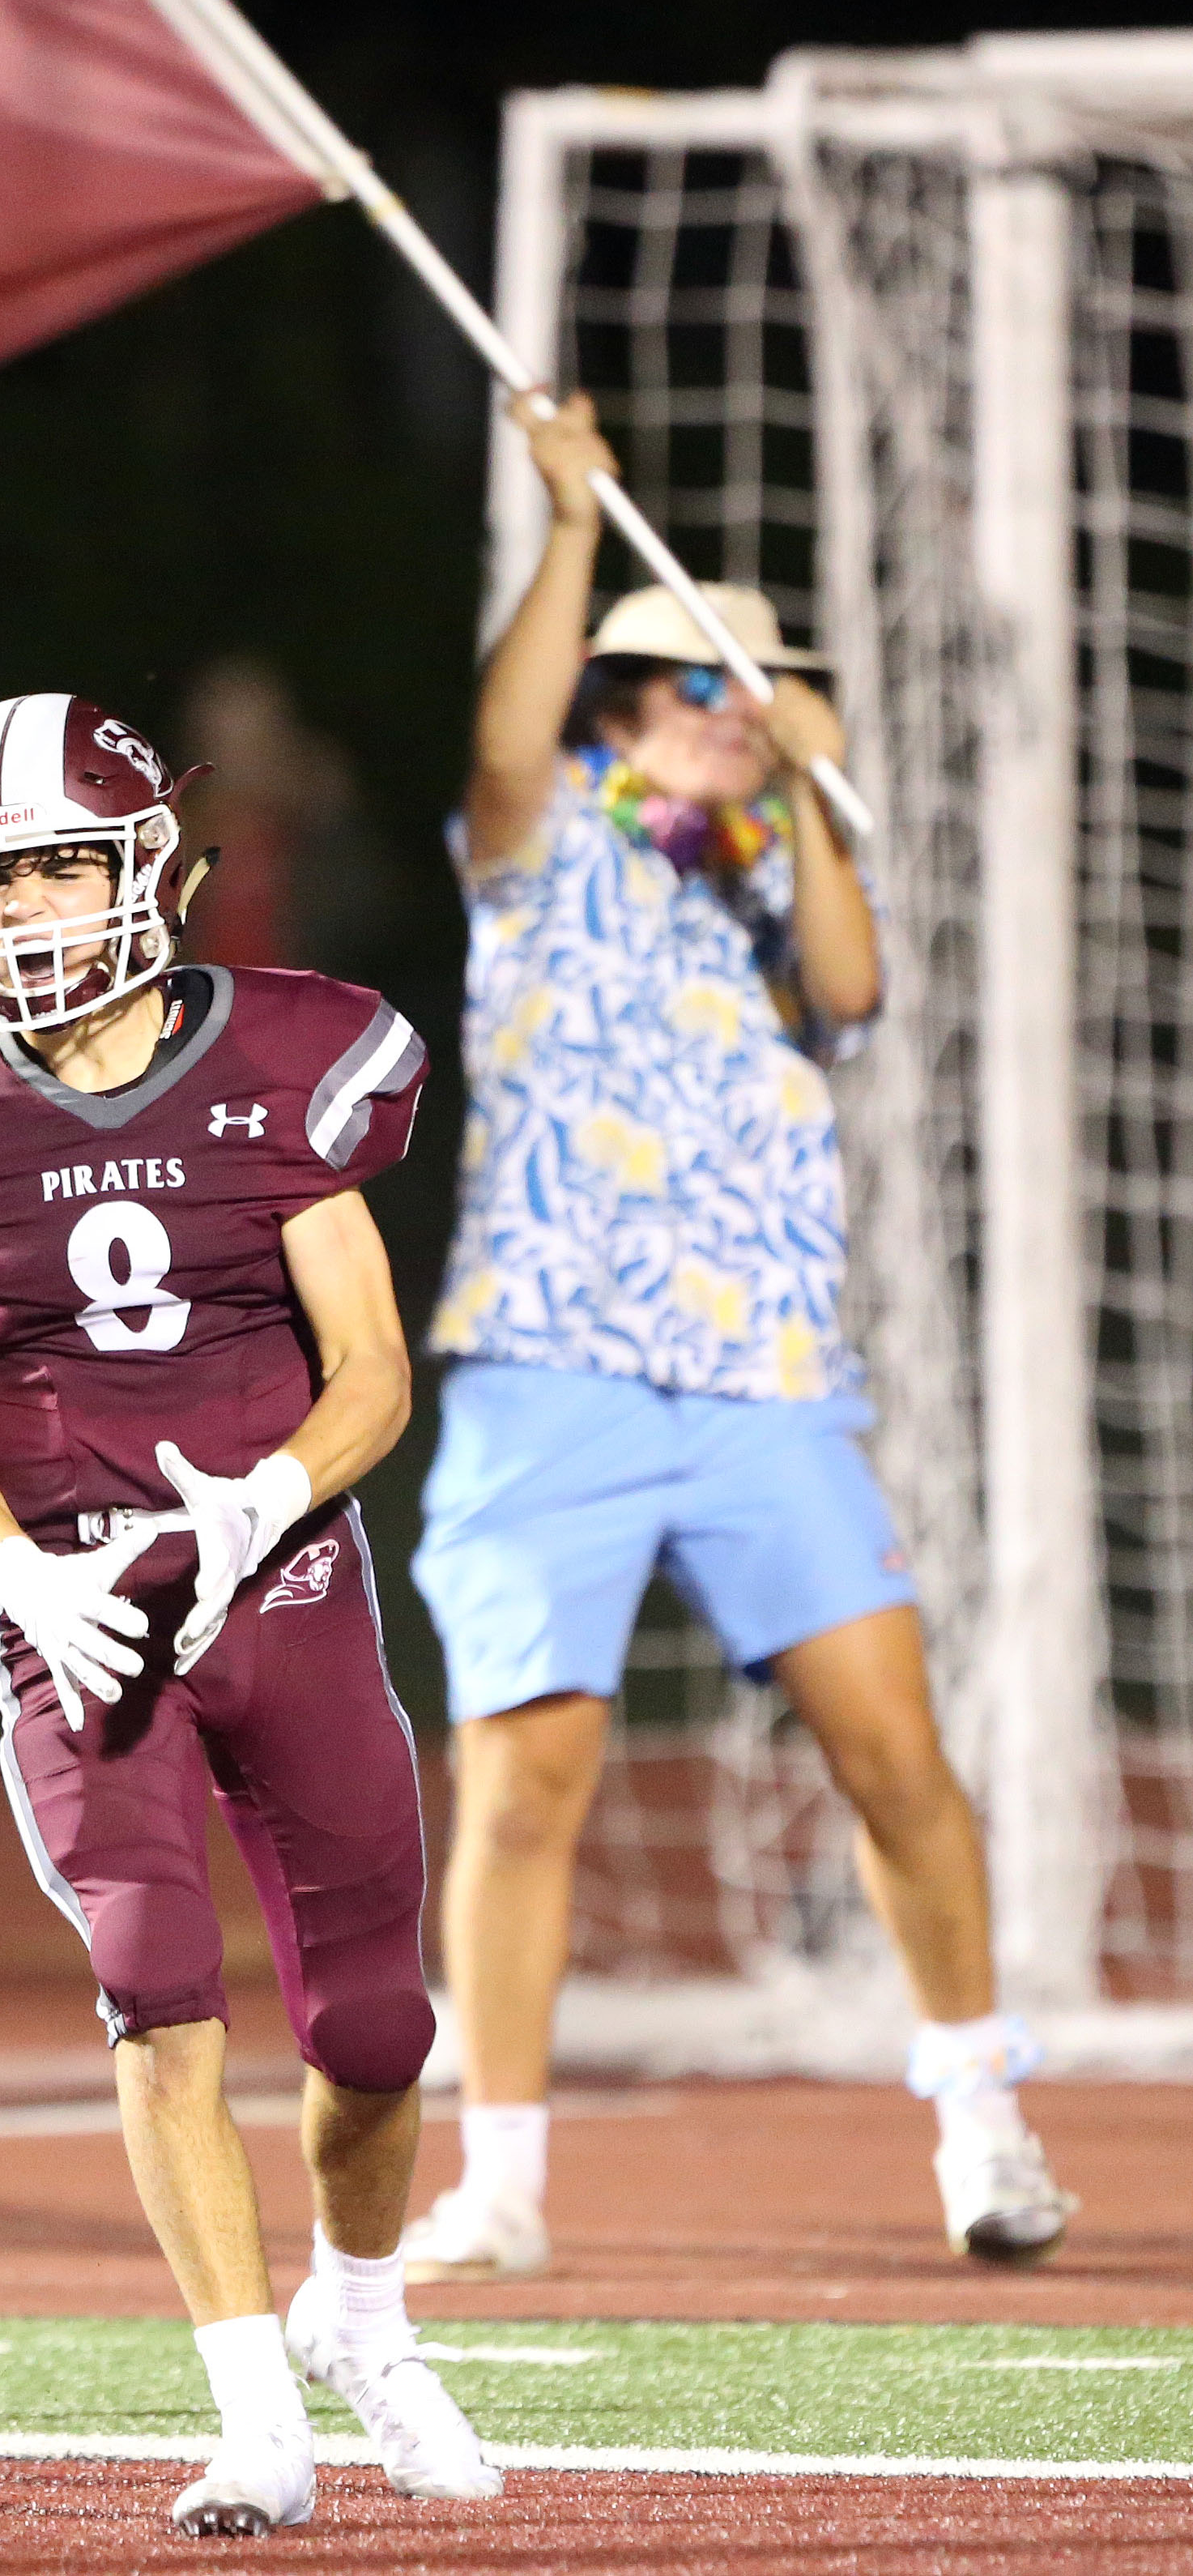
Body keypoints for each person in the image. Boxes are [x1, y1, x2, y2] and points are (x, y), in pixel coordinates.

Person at [405, 394, 1074, 2281]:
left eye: (750, 679)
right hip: (551, 1368)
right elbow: (499, 741)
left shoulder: (776, 870)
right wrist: (566, 524)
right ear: (622, 704)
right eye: (690, 675)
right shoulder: (537, 848)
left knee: (893, 1751)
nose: (726, 694)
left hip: (766, 1380)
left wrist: (803, 797)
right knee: (530, 1777)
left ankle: (979, 2112)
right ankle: (505, 2177)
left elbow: (854, 988)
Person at [0, 693, 497, 2539]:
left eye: (53, 866)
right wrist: (29, 1572)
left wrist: (274, 1489)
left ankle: (359, 2316)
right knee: (153, 1985)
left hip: (284, 1582)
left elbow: (367, 1365)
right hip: (89, 1625)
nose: (27, 912)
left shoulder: (295, 1054)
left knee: (372, 2027)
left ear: (149, 873)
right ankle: (249, 2406)